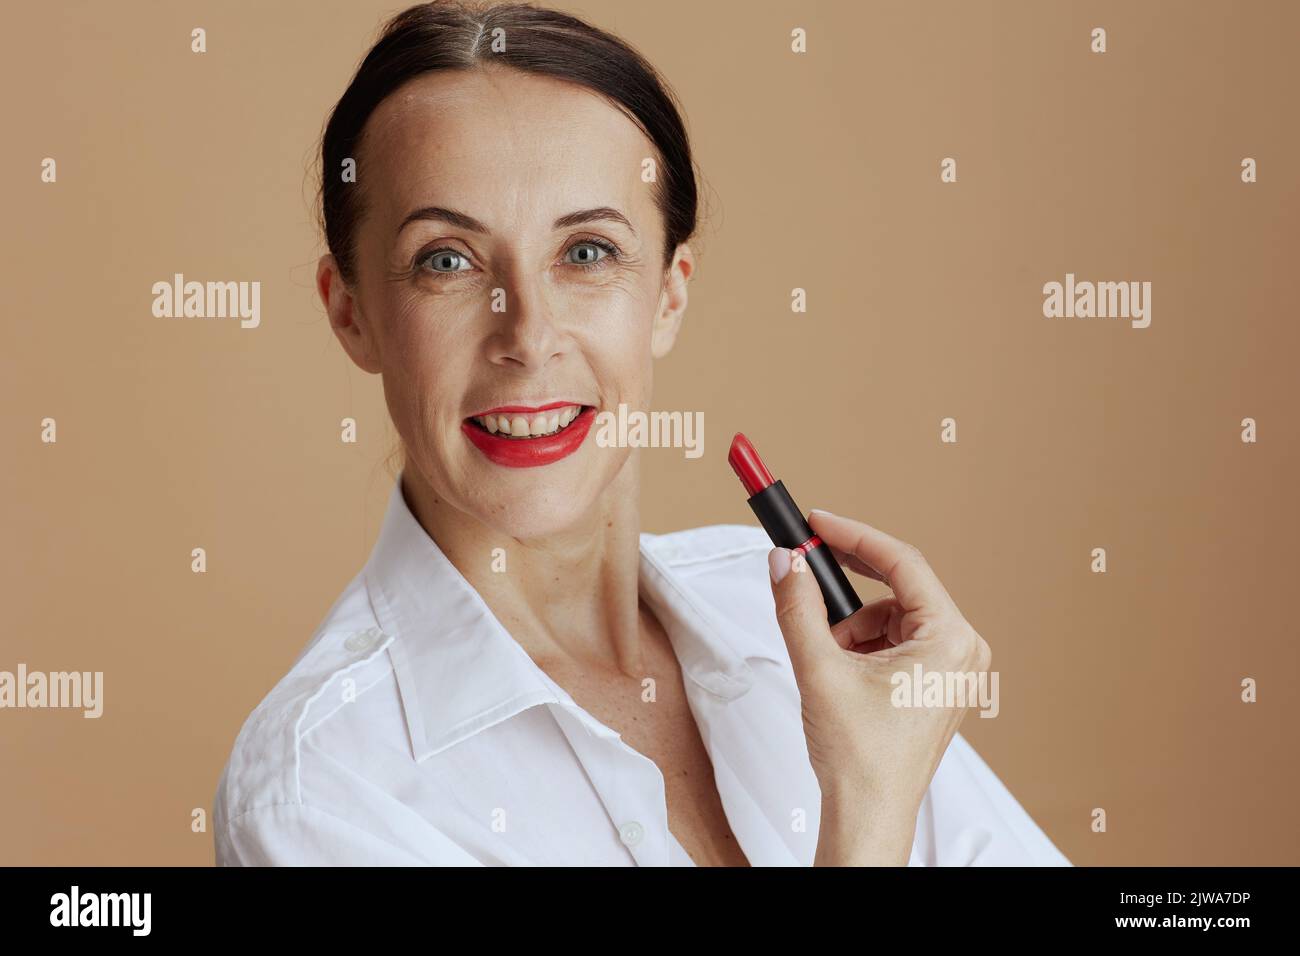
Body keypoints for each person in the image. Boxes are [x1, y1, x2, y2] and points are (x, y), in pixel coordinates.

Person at [214, 0, 1070, 867]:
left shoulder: (784, 613)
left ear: (669, 293)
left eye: (586, 252)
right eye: (448, 260)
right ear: (349, 309)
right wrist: (873, 800)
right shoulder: (324, 788)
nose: (529, 336)